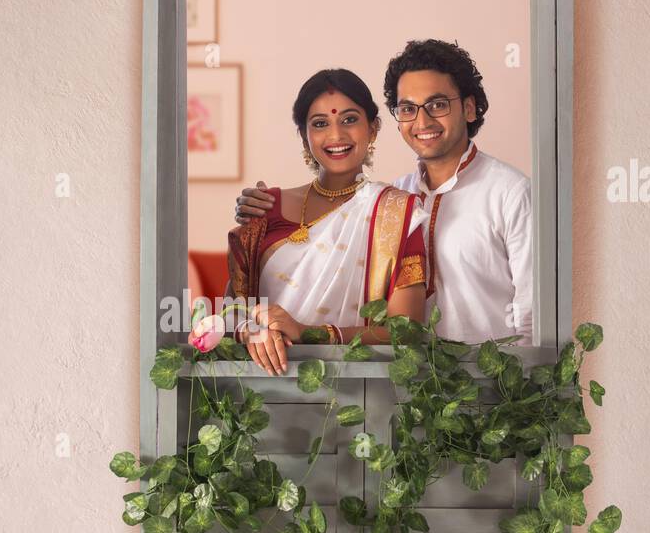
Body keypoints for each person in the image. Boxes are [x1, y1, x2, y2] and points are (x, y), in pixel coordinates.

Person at [236, 39, 533, 346]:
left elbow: (531, 314)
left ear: (469, 108)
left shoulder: (510, 193)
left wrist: (515, 386)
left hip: (489, 382)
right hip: (405, 385)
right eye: (408, 108)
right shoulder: (393, 199)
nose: (422, 121)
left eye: (437, 105)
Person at [225, 69, 430, 376]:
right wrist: (250, 331)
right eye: (320, 124)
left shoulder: (396, 215)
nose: (336, 136)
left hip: (360, 388)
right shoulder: (266, 209)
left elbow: (406, 332)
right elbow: (229, 313)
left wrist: (309, 332)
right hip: (262, 384)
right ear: (304, 137)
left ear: (373, 129)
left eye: (349, 119)